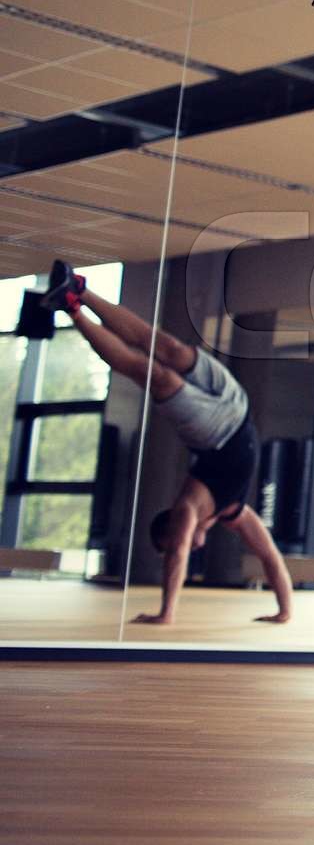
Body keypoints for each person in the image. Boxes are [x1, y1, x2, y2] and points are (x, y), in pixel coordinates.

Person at [40, 262, 293, 627]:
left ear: (174, 529)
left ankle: (76, 296)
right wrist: (285, 610)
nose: (192, 544)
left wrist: (166, 612)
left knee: (156, 362)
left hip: (214, 428)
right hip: (237, 406)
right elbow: (269, 556)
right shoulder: (234, 513)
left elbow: (177, 553)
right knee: (159, 361)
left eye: (179, 540)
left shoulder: (189, 508)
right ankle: (74, 300)